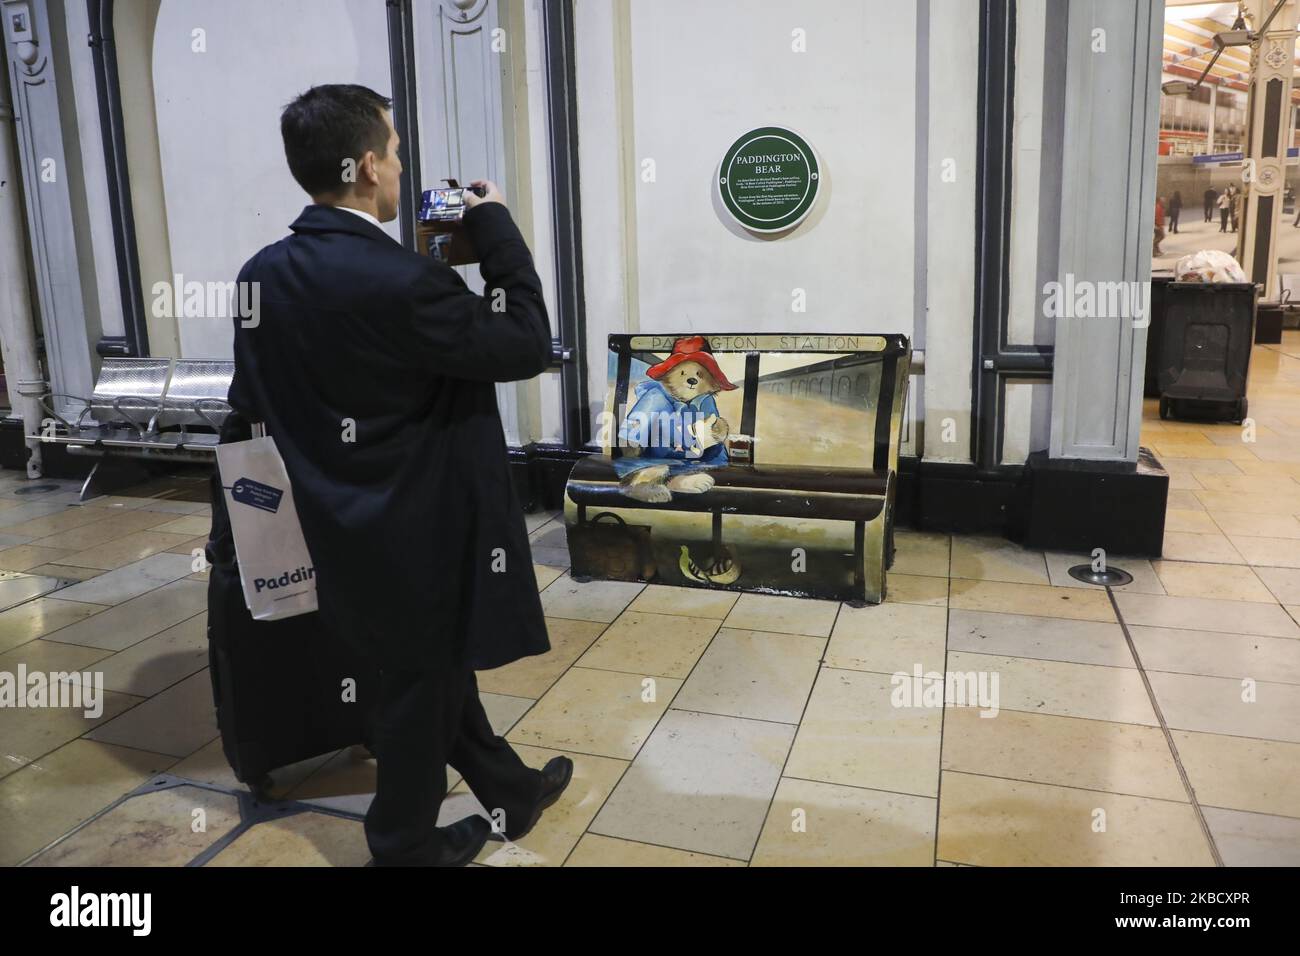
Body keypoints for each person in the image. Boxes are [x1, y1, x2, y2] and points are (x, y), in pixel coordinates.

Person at [223, 84, 572, 866]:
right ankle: (403, 846)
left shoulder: (260, 274)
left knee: (434, 670)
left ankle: (508, 789)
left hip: (329, 519)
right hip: (422, 526)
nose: (403, 168)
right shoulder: (407, 283)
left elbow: (258, 400)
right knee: (420, 691)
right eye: (399, 153)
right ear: (370, 164)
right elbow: (524, 342)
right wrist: (496, 230)